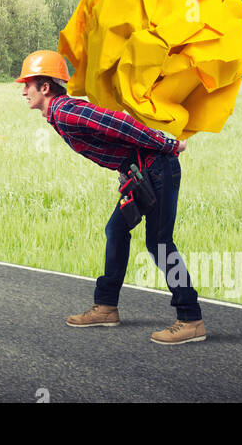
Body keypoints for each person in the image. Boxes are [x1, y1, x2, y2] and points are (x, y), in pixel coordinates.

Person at [16, 49, 206, 345]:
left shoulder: (66, 111)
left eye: (27, 84)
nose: (23, 90)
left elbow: (119, 124)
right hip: (141, 171)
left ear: (45, 87)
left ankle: (191, 319)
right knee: (116, 229)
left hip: (157, 167)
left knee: (159, 243)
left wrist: (168, 145)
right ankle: (106, 307)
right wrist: (126, 173)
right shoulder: (57, 114)